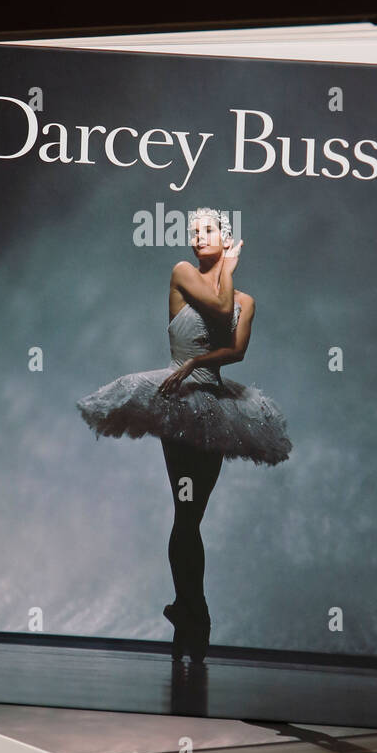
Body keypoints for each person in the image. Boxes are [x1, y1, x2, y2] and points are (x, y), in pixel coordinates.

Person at [77, 208, 291, 662]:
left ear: (227, 237)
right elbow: (216, 310)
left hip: (216, 402)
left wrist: (198, 361)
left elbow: (235, 348)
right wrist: (226, 273)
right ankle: (195, 607)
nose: (197, 237)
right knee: (185, 506)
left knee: (192, 517)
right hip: (178, 400)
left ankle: (189, 606)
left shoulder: (247, 300)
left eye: (208, 230)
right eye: (193, 231)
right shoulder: (182, 273)